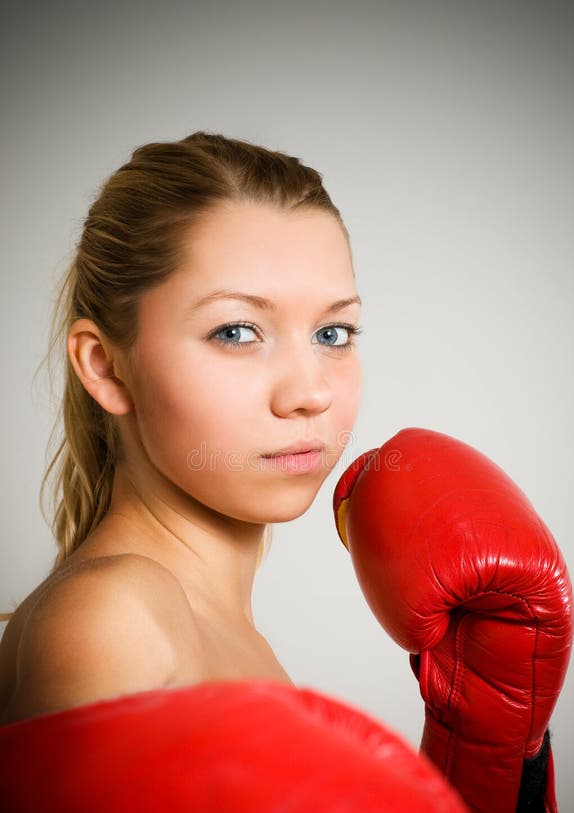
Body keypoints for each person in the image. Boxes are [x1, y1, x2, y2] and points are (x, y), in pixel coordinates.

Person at [0, 131, 363, 724]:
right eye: (237, 332)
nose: (310, 393)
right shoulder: (114, 621)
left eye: (333, 334)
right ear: (105, 366)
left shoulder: (208, 630)